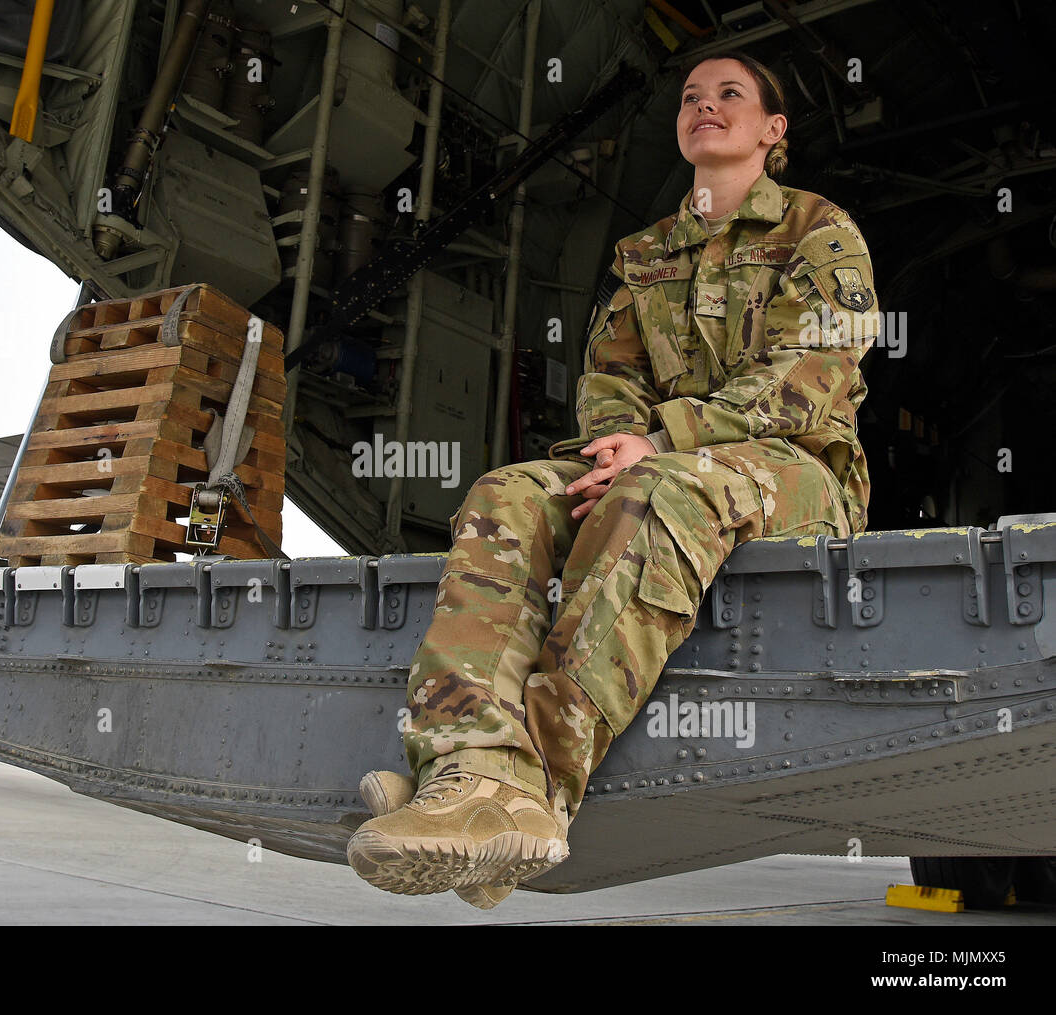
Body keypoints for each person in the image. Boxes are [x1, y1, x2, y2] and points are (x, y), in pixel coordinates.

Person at [347, 50, 879, 907]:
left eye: (730, 95)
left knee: (654, 492)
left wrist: (661, 441)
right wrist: (611, 446)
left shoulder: (819, 229)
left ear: (773, 131)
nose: (705, 105)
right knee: (507, 494)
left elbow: (813, 372)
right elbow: (608, 380)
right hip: (651, 458)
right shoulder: (646, 252)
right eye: (691, 97)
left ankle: (532, 792)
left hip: (797, 468)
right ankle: (466, 769)